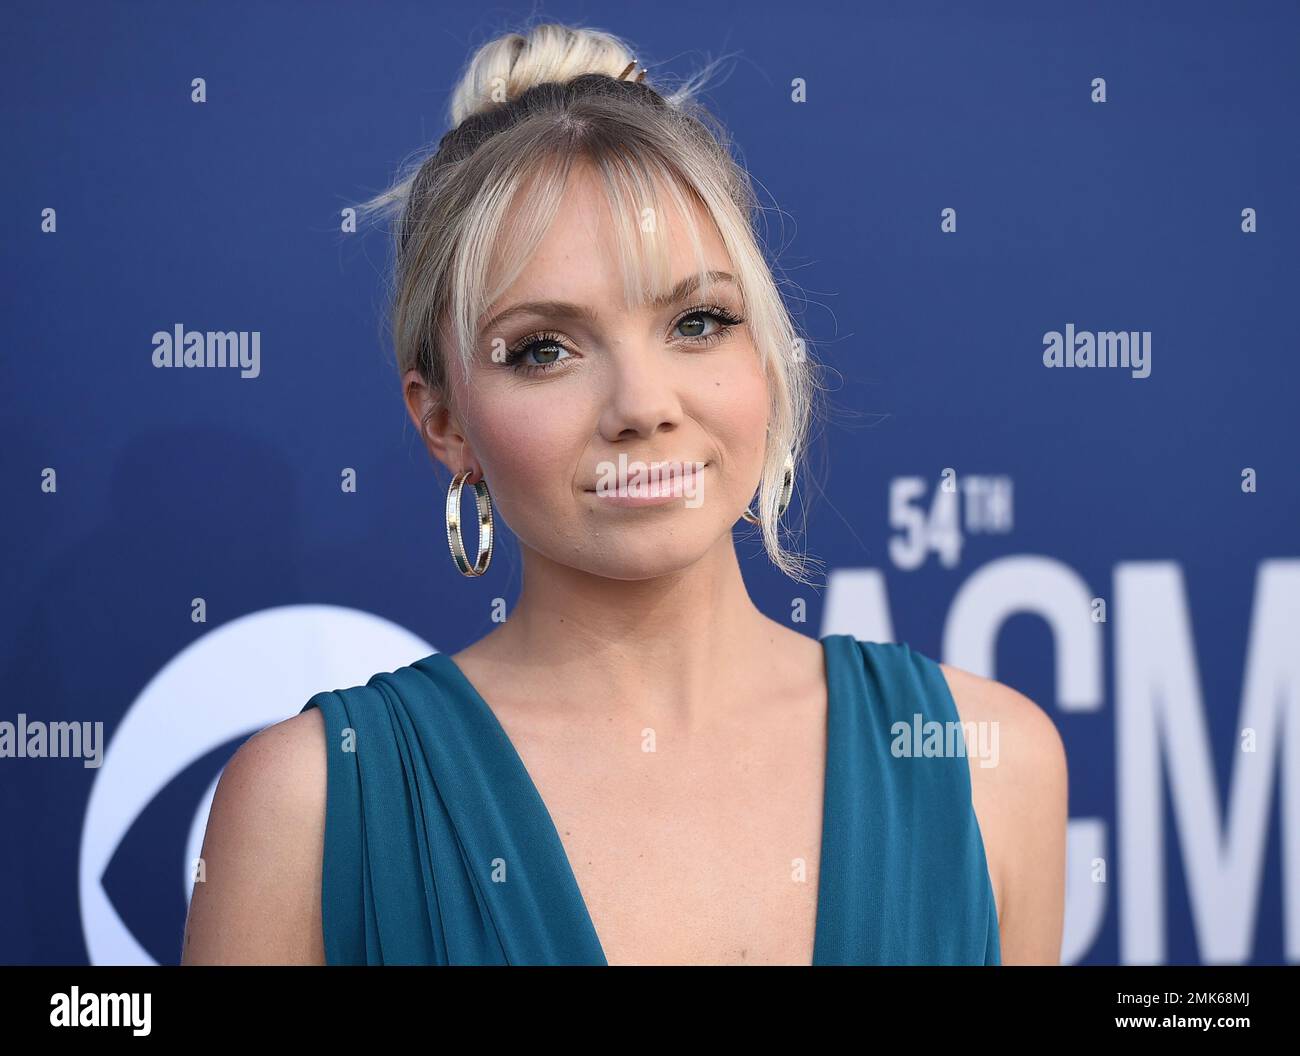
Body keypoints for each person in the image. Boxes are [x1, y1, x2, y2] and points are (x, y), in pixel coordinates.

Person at [181, 21, 1066, 966]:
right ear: (443, 421)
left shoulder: (983, 762)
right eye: (544, 350)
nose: (643, 406)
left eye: (697, 321)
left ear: (766, 354)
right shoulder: (309, 806)